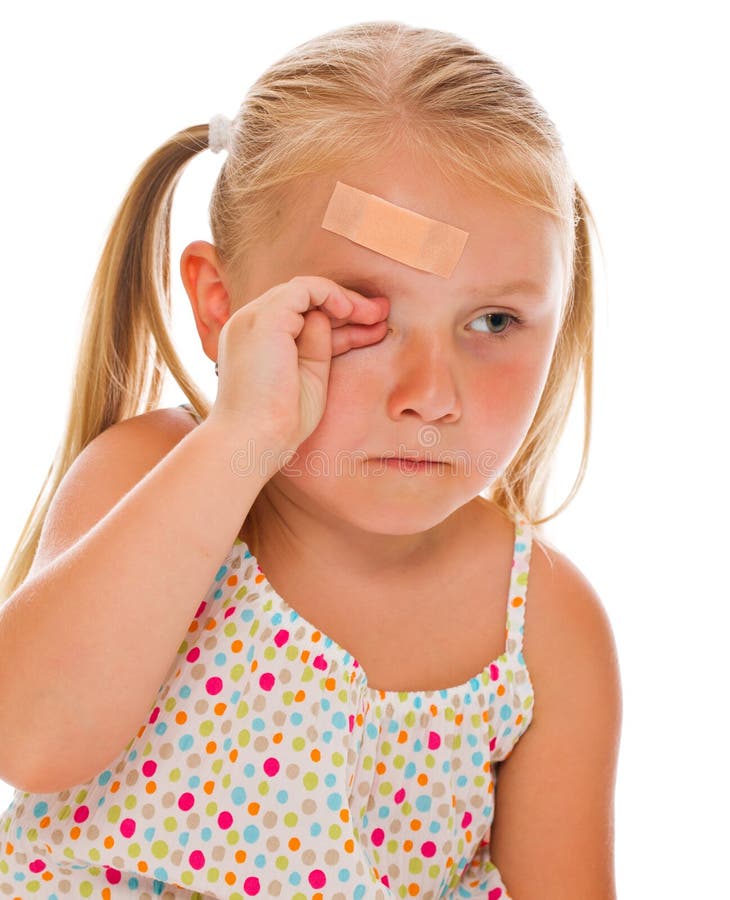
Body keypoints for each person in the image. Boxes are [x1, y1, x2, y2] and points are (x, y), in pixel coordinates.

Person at [0, 19, 622, 900]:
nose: (430, 393)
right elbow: (30, 738)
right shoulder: (153, 476)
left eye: (493, 323)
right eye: (361, 312)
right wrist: (240, 443)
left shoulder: (542, 624)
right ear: (223, 308)